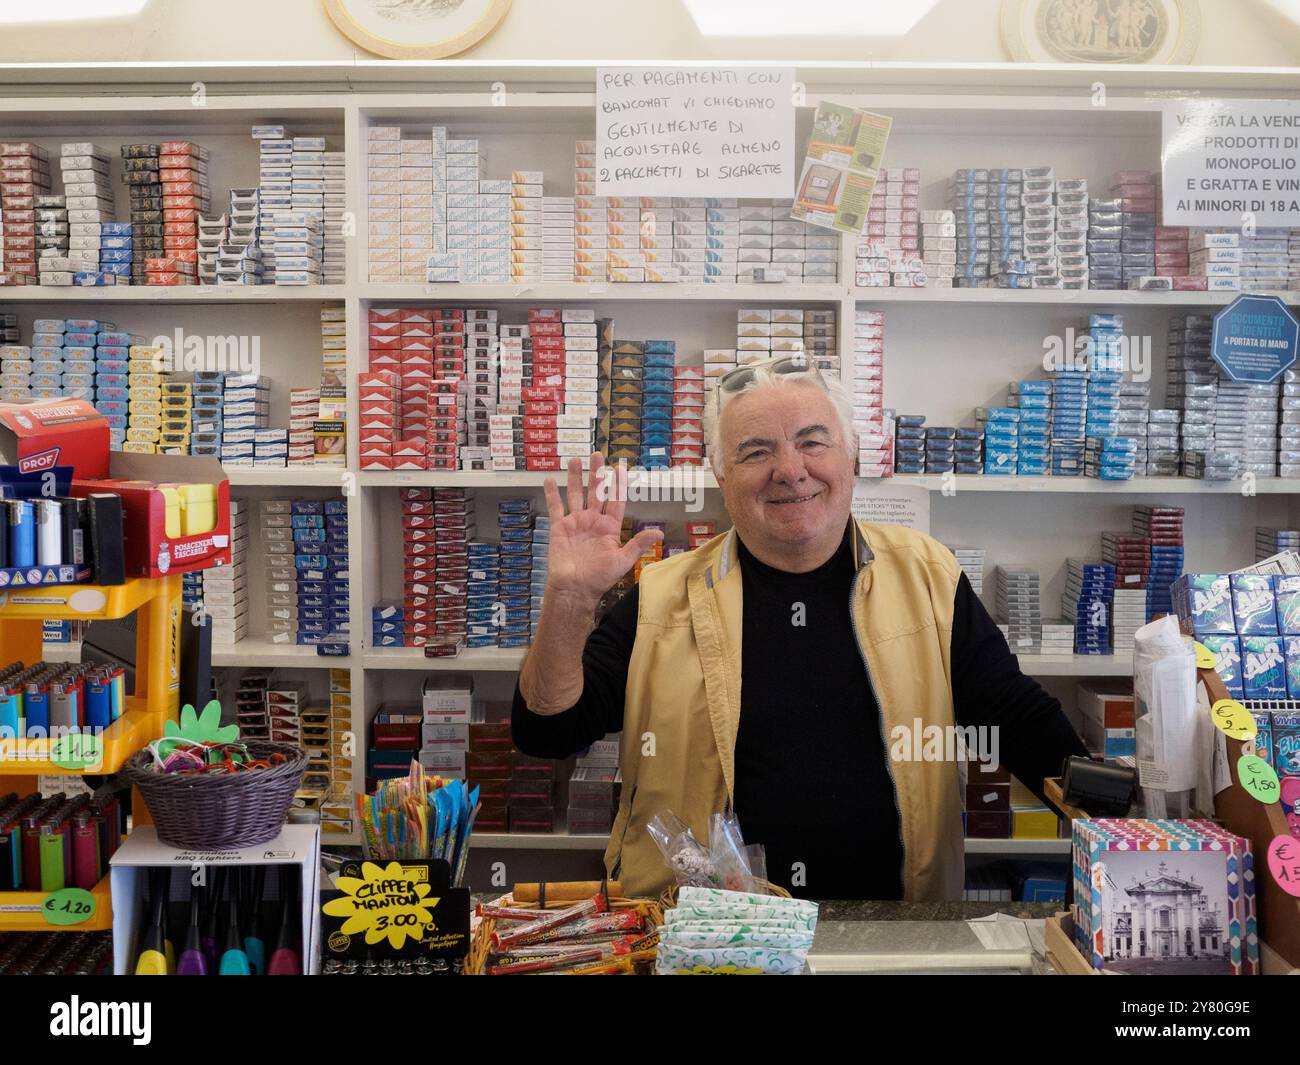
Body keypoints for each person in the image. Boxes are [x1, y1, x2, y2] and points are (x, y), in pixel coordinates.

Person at [513, 355, 1088, 900]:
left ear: (852, 456)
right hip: (706, 941)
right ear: (720, 473)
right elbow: (547, 732)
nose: (790, 470)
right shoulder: (663, 597)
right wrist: (567, 602)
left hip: (888, 933)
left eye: (813, 442)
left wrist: (1121, 826)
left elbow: (1020, 722)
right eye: (756, 451)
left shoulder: (928, 577)